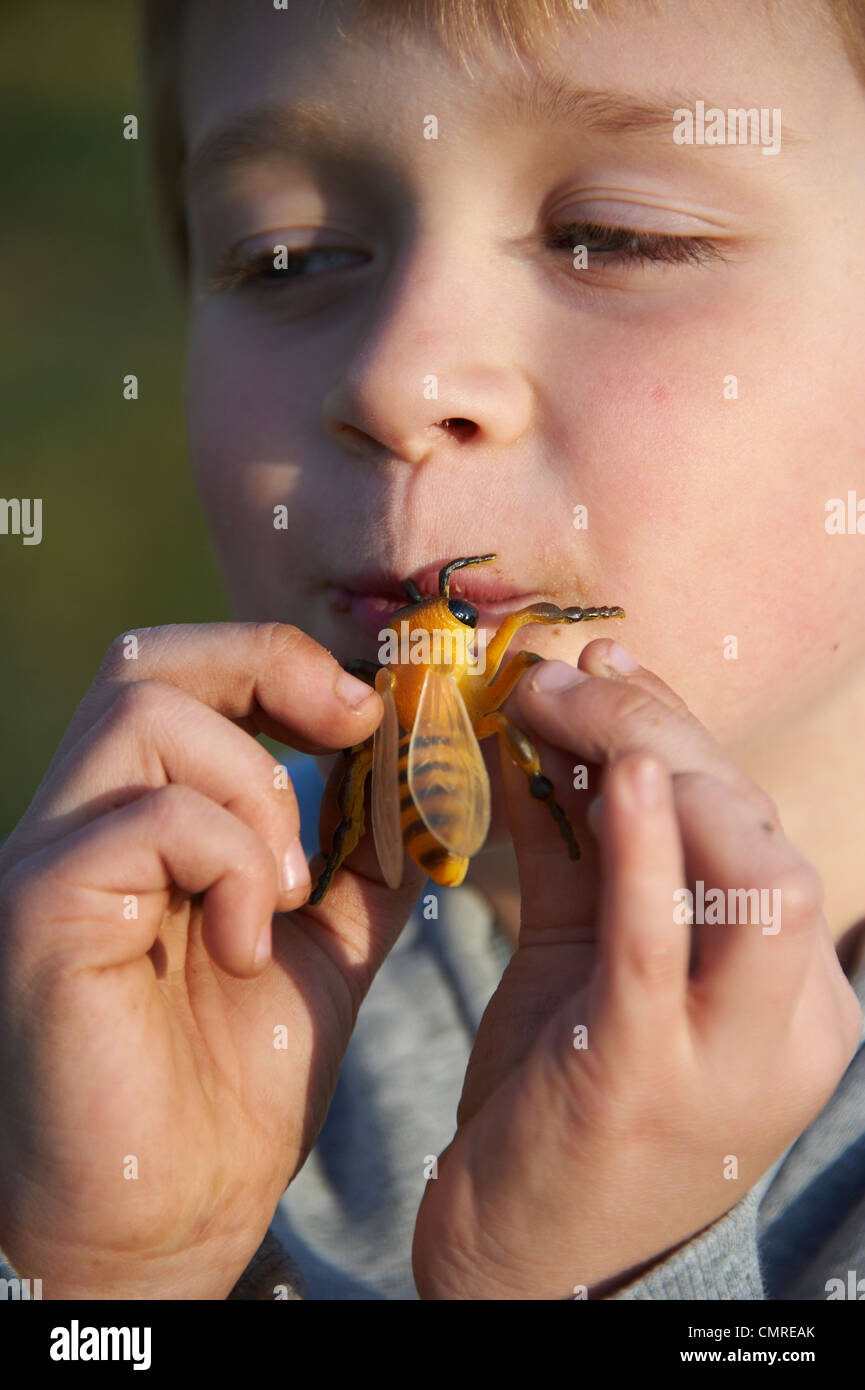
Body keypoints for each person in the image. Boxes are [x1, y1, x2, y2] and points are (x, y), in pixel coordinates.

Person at [1, 0, 864, 1300]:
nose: (397, 376)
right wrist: (100, 1280)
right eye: (286, 256)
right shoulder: (96, 985)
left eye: (614, 236)